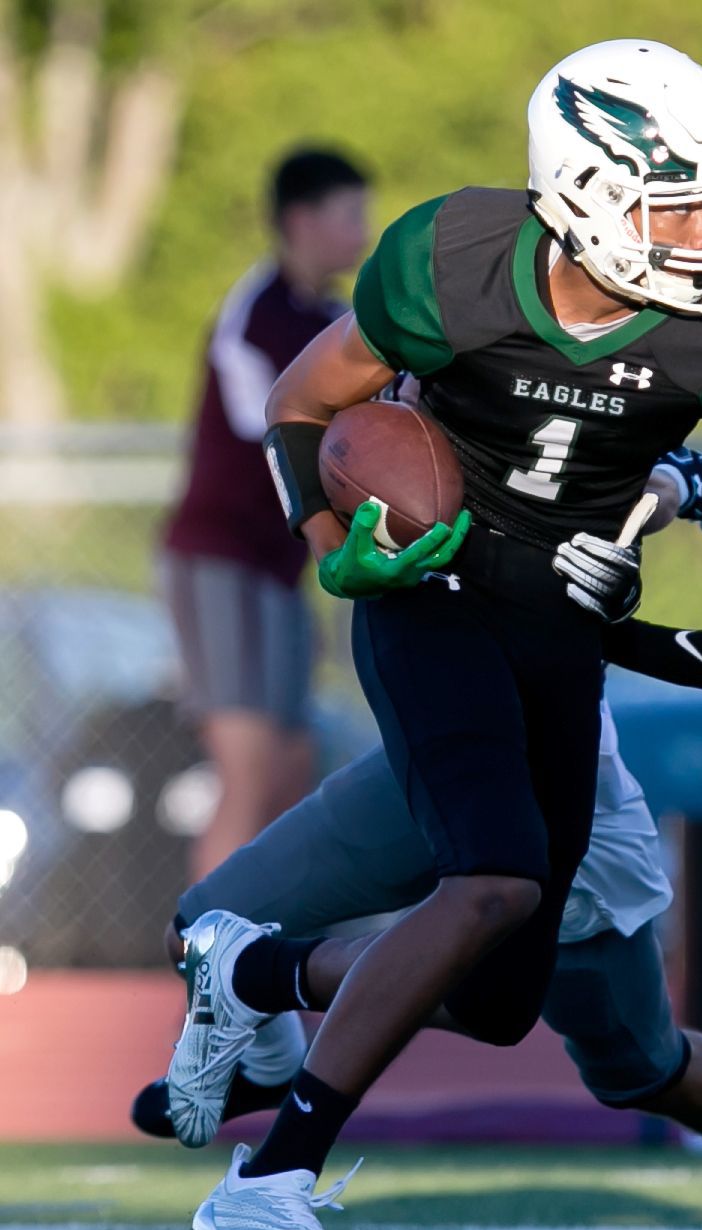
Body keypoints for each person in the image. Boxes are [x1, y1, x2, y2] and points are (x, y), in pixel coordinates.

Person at [166, 40, 702, 1230]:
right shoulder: (455, 259)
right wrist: (332, 553)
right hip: (430, 589)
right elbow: (301, 401)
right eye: (676, 197)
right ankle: (267, 1184)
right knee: (497, 878)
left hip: (558, 624)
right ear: (580, 192)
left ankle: (254, 965)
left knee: (506, 991)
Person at [135, 450, 702, 1230]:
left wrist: (665, 491)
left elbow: (666, 462)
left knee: (633, 1061)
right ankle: (269, 1044)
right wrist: (330, 536)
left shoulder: (577, 392)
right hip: (432, 746)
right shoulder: (420, 361)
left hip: (549, 770)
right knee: (201, 927)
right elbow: (307, 405)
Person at [159, 146, 370, 883]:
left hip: (275, 573)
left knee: (289, 769)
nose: (364, 232)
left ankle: (265, 959)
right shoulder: (256, 317)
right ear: (301, 220)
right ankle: (205, 966)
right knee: (246, 771)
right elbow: (283, 435)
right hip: (223, 560)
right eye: (351, 214)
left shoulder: (335, 318)